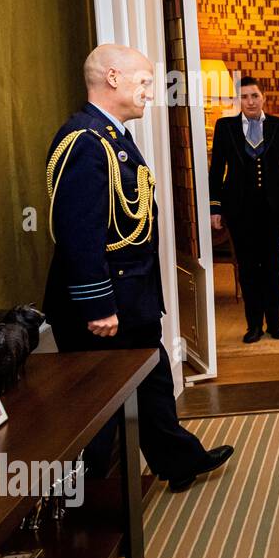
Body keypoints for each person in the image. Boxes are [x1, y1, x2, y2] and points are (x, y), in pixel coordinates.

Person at [43, 44, 234, 492]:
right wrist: (97, 306)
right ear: (112, 78)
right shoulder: (83, 142)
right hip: (106, 304)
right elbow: (78, 233)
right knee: (99, 413)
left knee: (151, 378)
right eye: (144, 81)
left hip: (133, 296)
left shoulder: (112, 137)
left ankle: (178, 459)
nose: (152, 92)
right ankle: (78, 505)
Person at [209, 75, 279, 343]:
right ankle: (253, 326)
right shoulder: (225, 127)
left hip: (273, 210)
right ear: (239, 100)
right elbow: (216, 170)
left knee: (272, 266)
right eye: (245, 97)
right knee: (248, 268)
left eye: (255, 96)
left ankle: (275, 322)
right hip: (239, 210)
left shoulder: (278, 126)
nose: (250, 101)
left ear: (263, 98)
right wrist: (215, 207)